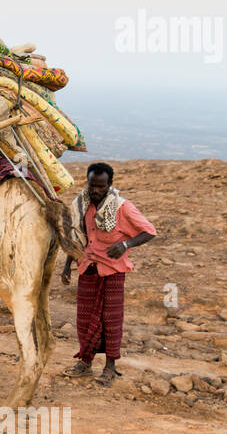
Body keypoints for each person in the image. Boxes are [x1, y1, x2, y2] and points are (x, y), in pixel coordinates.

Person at [60, 162, 156, 383]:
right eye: (92, 185)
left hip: (112, 271)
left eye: (101, 187)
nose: (95, 191)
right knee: (84, 320)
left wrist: (126, 244)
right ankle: (85, 363)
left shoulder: (122, 207)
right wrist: (67, 266)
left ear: (109, 185)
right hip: (87, 268)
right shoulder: (80, 205)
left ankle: (110, 368)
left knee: (110, 321)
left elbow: (149, 231)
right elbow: (77, 237)